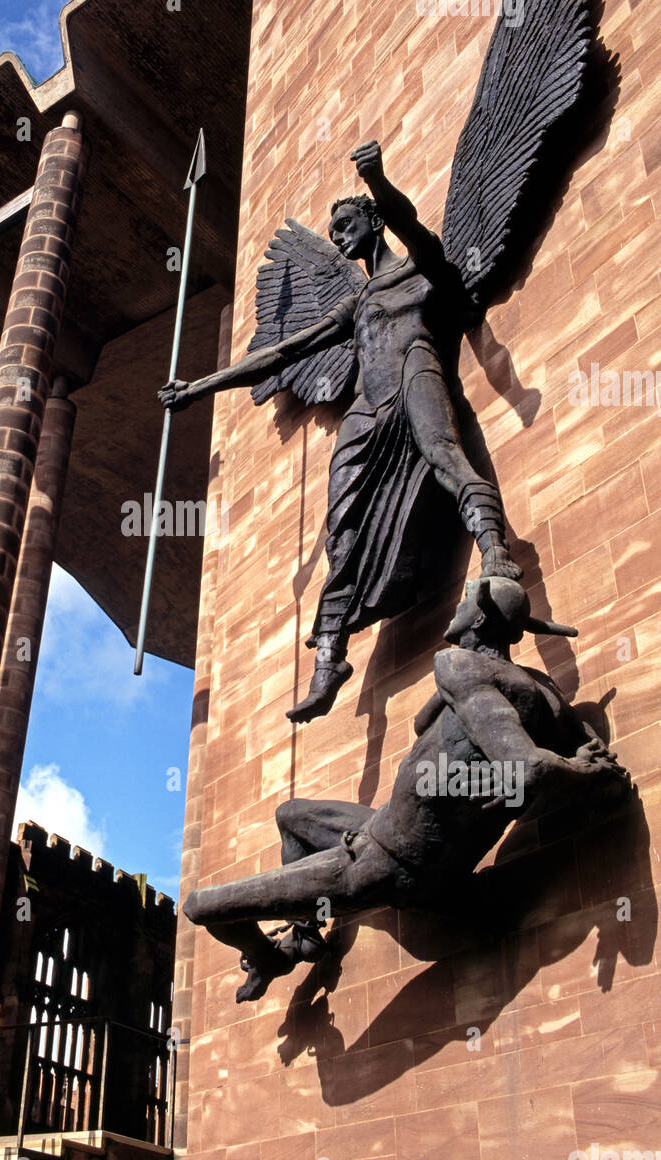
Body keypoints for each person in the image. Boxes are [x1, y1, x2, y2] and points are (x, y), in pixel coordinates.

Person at [160, 141, 520, 724]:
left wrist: (377, 180)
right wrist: (201, 386)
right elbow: (285, 351)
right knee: (341, 527)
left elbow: (413, 226)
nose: (340, 239)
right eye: (333, 234)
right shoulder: (357, 302)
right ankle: (330, 659)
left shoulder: (423, 266)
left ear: (373, 222)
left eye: (347, 226)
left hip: (416, 372)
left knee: (445, 455)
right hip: (364, 407)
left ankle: (497, 552)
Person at [181, 577, 631, 1003]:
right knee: (290, 814)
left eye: (466, 599)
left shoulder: (460, 666)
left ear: (479, 619)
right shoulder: (537, 690)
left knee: (202, 907)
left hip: (386, 865)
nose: (455, 605)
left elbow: (527, 767)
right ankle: (304, 932)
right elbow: (581, 755)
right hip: (387, 832)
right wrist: (589, 771)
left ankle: (269, 958)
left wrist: (573, 772)